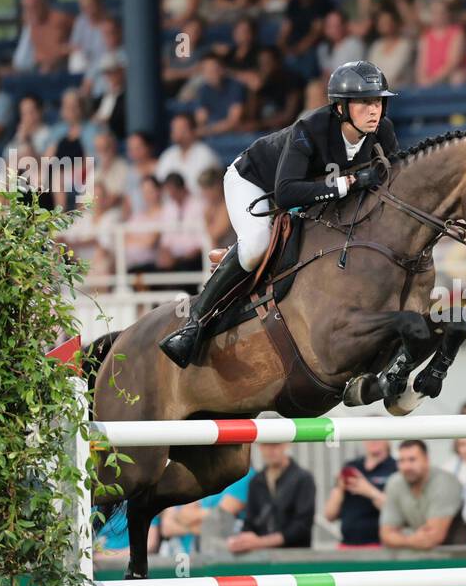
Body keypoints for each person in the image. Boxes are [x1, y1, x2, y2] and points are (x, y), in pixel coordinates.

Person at [158, 59, 399, 368]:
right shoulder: (309, 131)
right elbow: (286, 192)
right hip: (255, 182)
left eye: (378, 101)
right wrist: (348, 183)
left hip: (308, 194)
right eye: (364, 102)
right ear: (341, 108)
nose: (374, 110)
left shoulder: (383, 131)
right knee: (258, 242)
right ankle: (194, 324)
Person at [227, 443, 315, 552]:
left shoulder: (303, 479)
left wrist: (259, 542)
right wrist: (242, 541)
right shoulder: (256, 481)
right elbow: (249, 522)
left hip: (295, 558)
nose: (271, 450)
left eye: (276, 444)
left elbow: (301, 526)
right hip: (263, 559)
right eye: (266, 445)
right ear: (260, 447)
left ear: (286, 445)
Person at [380, 440, 464, 549]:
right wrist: (410, 539)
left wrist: (402, 534)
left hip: (457, 556)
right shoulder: (395, 482)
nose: (406, 466)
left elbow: (433, 538)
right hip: (417, 557)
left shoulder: (445, 482)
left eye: (412, 460)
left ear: (426, 460)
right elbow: (385, 535)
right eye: (401, 461)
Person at [322, 439, 397, 548]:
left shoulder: (395, 468)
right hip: (347, 546)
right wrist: (340, 488)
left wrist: (368, 490)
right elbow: (329, 515)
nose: (373, 440)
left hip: (380, 546)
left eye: (378, 434)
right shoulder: (351, 466)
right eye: (369, 435)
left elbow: (396, 511)